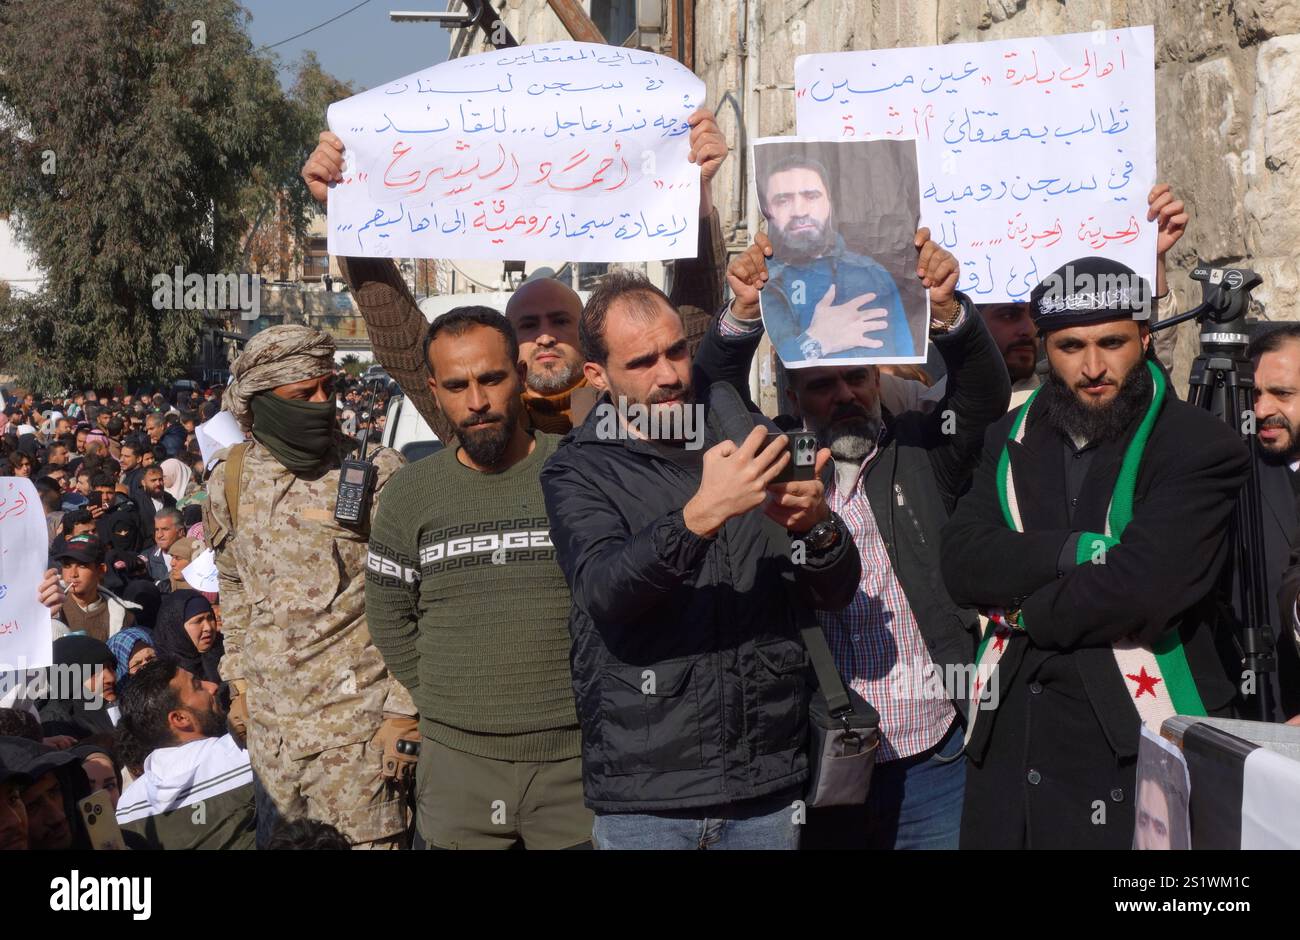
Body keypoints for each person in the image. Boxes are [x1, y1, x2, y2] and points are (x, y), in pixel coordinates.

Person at [540, 272, 862, 850]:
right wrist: (699, 517)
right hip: (648, 798)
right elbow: (604, 591)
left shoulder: (754, 440)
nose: (668, 376)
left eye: (676, 351)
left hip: (766, 783)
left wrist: (818, 532)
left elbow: (832, 593)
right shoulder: (578, 470)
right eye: (641, 363)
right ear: (597, 374)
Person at [940, 257, 1249, 849]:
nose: (1092, 367)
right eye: (1070, 346)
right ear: (1044, 347)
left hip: (1128, 748)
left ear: (1145, 337)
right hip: (1011, 744)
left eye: (1112, 342)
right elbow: (961, 563)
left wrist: (1021, 609)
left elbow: (1142, 589)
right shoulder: (1008, 439)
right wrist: (1074, 551)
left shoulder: (1198, 445)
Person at [722, 226, 1010, 848]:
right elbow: (711, 393)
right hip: (817, 768)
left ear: (878, 378)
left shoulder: (921, 450)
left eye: (857, 377)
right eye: (823, 385)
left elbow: (985, 394)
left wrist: (950, 313)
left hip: (936, 759)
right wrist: (743, 313)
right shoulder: (766, 466)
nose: (845, 394)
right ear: (794, 396)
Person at [302, 107, 731, 440]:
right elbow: (401, 336)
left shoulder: (636, 411)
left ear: (589, 338)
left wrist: (693, 195)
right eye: (528, 325)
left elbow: (692, 324)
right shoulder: (483, 420)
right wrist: (346, 210)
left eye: (560, 321)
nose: (545, 336)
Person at [366, 308, 589, 850]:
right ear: (433, 390)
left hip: (578, 769)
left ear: (519, 373)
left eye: (491, 378)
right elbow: (391, 617)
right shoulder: (408, 496)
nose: (477, 401)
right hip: (456, 773)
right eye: (457, 385)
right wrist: (452, 700)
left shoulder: (580, 472)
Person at [205, 324, 417, 849]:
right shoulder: (229, 480)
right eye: (303, 396)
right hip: (274, 744)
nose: (323, 405)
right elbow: (234, 586)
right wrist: (241, 685)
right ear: (262, 402)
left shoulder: (375, 471)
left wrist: (403, 711)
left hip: (359, 742)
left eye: (328, 389)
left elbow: (421, 597)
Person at [757, 154, 913, 363]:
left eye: (811, 196)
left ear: (829, 202)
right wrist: (817, 341)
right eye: (783, 201)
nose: (799, 211)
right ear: (768, 211)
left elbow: (907, 363)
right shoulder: (763, 283)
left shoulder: (873, 274)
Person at [115, 658, 256, 850]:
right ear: (180, 718)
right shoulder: (243, 756)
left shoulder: (128, 807)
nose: (212, 686)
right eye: (198, 686)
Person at [1243, 325, 1300, 721]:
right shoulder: (1234, 470)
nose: (1261, 410)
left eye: (1282, 394)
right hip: (1259, 716)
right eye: (1255, 394)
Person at [54, 535, 140, 642]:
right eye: (67, 565)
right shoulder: (51, 609)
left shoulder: (123, 617)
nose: (73, 574)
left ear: (101, 570)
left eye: (82, 565)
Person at [155, 589, 223, 692]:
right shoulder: (166, 676)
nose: (208, 627)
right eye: (198, 621)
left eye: (210, 618)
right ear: (177, 628)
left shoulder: (227, 653)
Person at [146, 507, 184, 592]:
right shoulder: (147, 558)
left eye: (165, 529)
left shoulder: (194, 557)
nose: (159, 535)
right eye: (156, 530)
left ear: (180, 532)